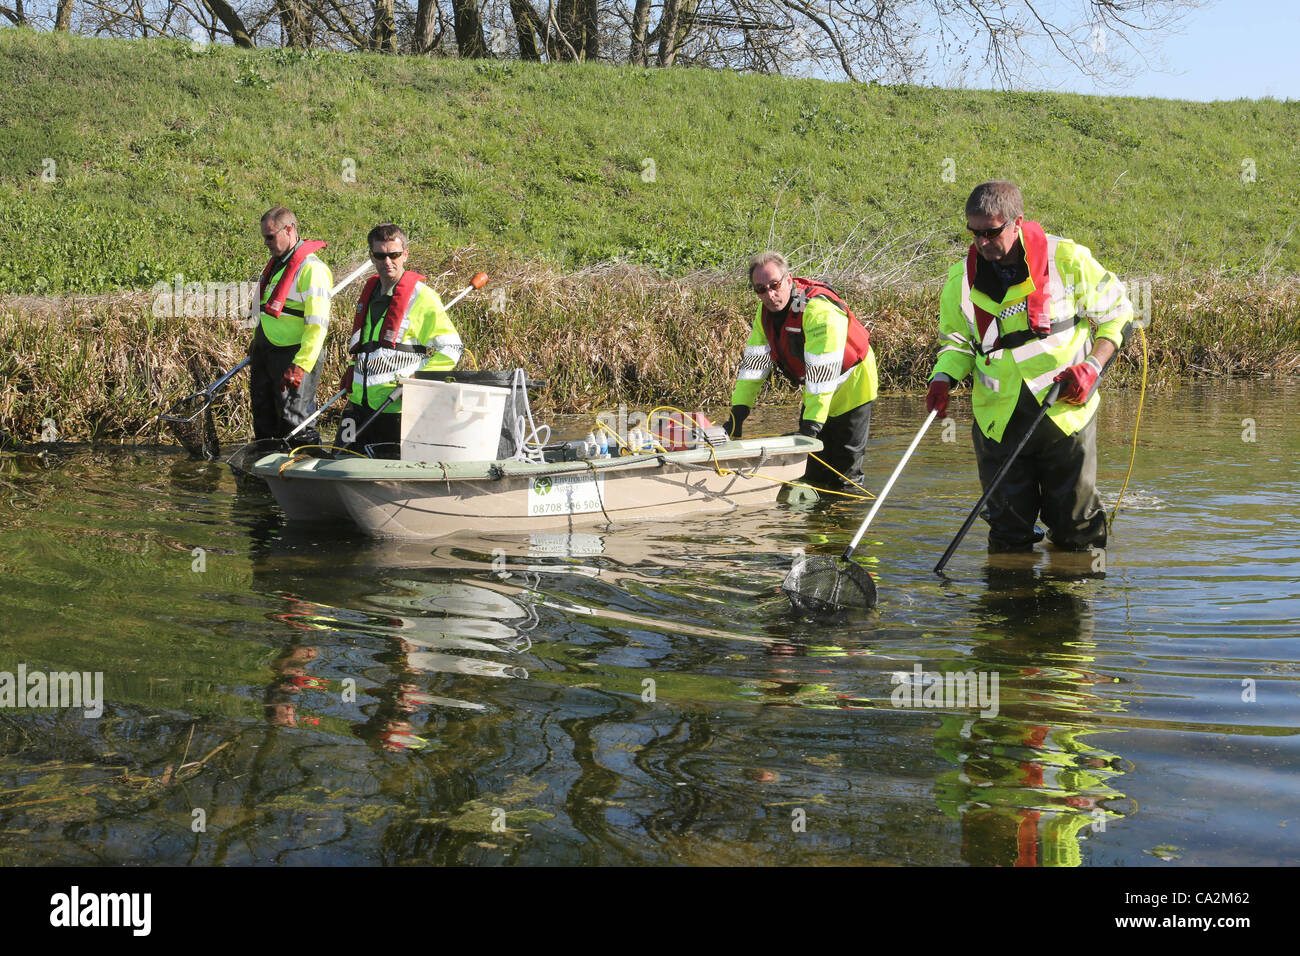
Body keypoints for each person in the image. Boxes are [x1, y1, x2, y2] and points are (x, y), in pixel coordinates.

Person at [925, 180, 1135, 553]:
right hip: (998, 421)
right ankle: (1008, 602)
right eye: (974, 234)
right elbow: (956, 343)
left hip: (1064, 414)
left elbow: (1119, 315)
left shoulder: (1066, 260)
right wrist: (942, 378)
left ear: (1017, 222)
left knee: (1077, 532)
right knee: (1006, 533)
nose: (982, 243)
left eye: (991, 233)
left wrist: (1092, 366)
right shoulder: (960, 279)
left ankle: (1073, 598)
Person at [726, 252, 879, 493]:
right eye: (760, 289)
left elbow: (823, 375)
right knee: (814, 471)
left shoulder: (819, 312)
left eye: (774, 285)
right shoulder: (764, 313)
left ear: (788, 280)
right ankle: (815, 523)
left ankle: (849, 518)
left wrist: (810, 428)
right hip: (817, 391)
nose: (770, 295)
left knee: (844, 474)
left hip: (852, 387)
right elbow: (754, 364)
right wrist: (738, 412)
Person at [338, 223, 462, 455]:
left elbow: (452, 348)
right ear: (371, 257)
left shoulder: (423, 297)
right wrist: (353, 369)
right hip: (358, 405)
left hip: (397, 410)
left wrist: (417, 383)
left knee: (388, 472)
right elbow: (367, 347)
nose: (387, 262)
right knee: (339, 460)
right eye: (380, 255)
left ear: (405, 254)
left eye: (394, 255)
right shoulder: (369, 294)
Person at [251, 206, 333, 447]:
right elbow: (269, 311)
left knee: (295, 423)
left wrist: (301, 364)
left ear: (289, 230)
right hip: (266, 352)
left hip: (294, 355)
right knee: (264, 419)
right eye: (264, 237)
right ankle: (267, 475)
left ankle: (306, 474)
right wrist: (258, 342)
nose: (266, 242)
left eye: (270, 236)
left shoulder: (312, 269)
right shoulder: (278, 264)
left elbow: (317, 325)